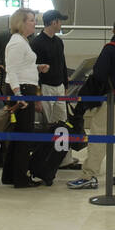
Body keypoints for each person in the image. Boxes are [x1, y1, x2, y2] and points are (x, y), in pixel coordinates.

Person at [68, 17, 115, 190]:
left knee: (99, 136)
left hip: (111, 100)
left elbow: (99, 74)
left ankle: (89, 175)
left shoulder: (110, 49)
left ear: (113, 31)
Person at [1, 8, 47, 188]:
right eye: (31, 20)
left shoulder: (22, 41)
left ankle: (10, 175)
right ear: (21, 22)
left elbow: (21, 67)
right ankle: (20, 177)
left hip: (24, 89)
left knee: (18, 134)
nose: (34, 23)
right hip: (21, 92)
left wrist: (37, 67)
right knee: (23, 135)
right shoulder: (17, 43)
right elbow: (11, 70)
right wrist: (18, 95)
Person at [31, 9, 81, 170]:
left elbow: (62, 64)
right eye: (60, 21)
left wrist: (65, 87)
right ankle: (47, 159)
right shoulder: (37, 43)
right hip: (45, 88)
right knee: (47, 125)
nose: (61, 24)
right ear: (54, 22)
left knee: (62, 124)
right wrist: (37, 96)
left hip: (59, 87)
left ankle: (64, 159)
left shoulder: (58, 42)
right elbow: (33, 72)